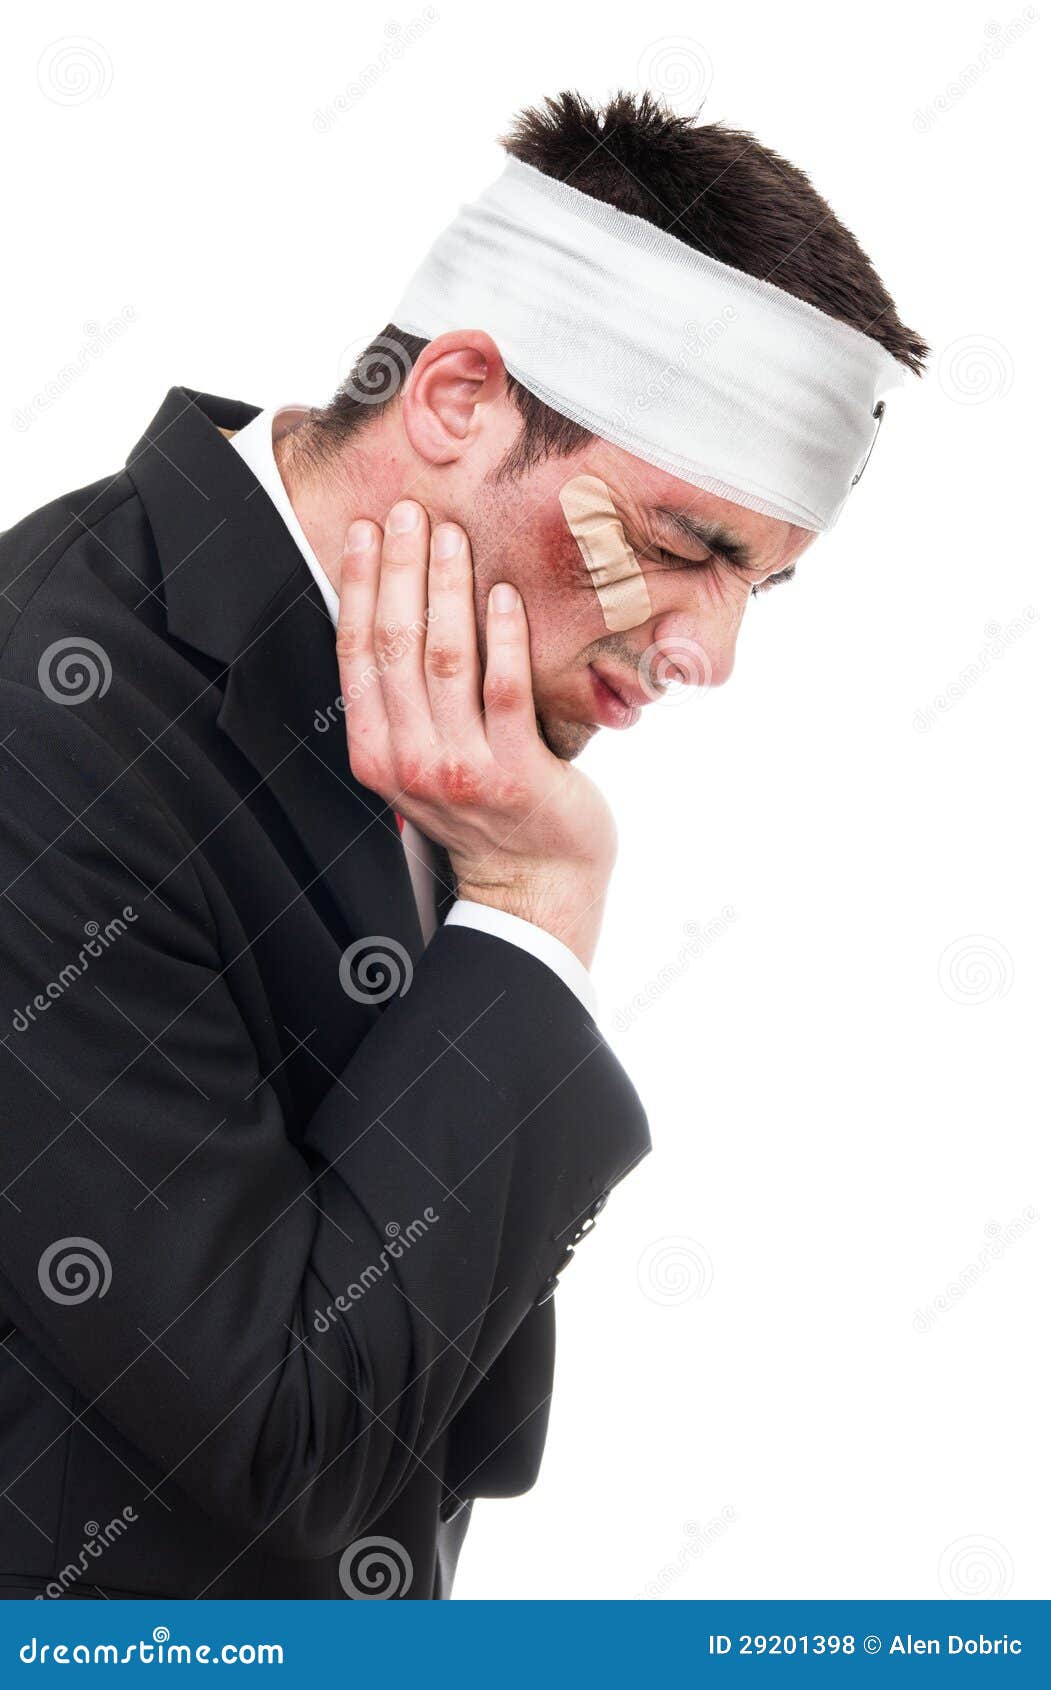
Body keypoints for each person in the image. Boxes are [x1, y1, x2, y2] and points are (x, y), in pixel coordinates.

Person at [0, 91, 926, 1600]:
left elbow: (464, 1424)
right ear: (454, 398)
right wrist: (537, 901)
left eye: (763, 583)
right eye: (686, 547)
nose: (710, 651)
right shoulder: (48, 722)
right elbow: (291, 1452)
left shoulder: (421, 716)